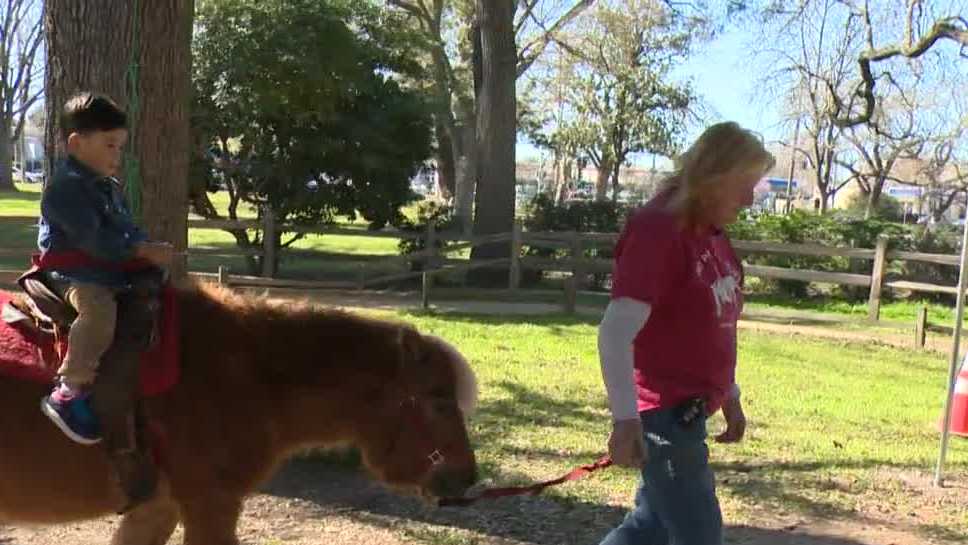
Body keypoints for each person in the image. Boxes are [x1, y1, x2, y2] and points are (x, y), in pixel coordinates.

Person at [596, 122, 775, 545]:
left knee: (650, 529)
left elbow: (710, 326)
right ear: (713, 177)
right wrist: (625, 420)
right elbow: (615, 333)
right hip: (665, 415)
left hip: (692, 411)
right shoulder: (658, 229)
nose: (749, 200)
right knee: (699, 534)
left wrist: (729, 394)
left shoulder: (710, 233)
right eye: (744, 185)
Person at [36, 92, 172, 445]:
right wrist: (138, 250)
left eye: (120, 147)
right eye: (110, 145)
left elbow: (126, 228)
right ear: (76, 144)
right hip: (74, 273)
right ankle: (69, 389)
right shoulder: (64, 189)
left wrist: (146, 245)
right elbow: (92, 240)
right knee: (98, 312)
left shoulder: (109, 188)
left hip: (107, 268)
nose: (117, 155)